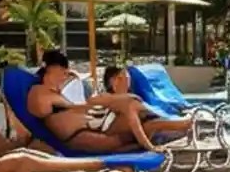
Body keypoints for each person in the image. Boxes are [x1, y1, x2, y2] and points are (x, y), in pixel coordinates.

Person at [27, 50, 161, 153]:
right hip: (78, 136)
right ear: (51, 69)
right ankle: (149, 144)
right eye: (63, 73)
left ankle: (152, 139)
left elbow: (75, 107)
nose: (65, 77)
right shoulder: (40, 92)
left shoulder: (52, 93)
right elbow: (40, 110)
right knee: (132, 116)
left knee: (133, 109)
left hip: (91, 128)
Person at [101, 66, 193, 140]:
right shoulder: (116, 99)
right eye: (122, 77)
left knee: (153, 122)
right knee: (153, 124)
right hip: (119, 129)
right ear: (114, 81)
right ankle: (188, 124)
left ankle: (187, 124)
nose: (127, 79)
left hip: (128, 127)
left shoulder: (122, 97)